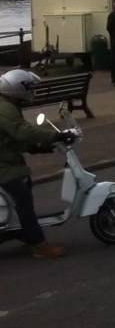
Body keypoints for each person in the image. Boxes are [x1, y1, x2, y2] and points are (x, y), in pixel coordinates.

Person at [0, 70, 69, 258]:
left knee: (22, 190)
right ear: (17, 88)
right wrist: (54, 135)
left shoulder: (7, 104)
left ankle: (23, 231)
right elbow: (22, 131)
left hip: (7, 159)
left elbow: (11, 137)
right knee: (22, 199)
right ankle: (39, 245)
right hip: (4, 166)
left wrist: (37, 148)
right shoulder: (4, 108)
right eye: (29, 87)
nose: (32, 91)